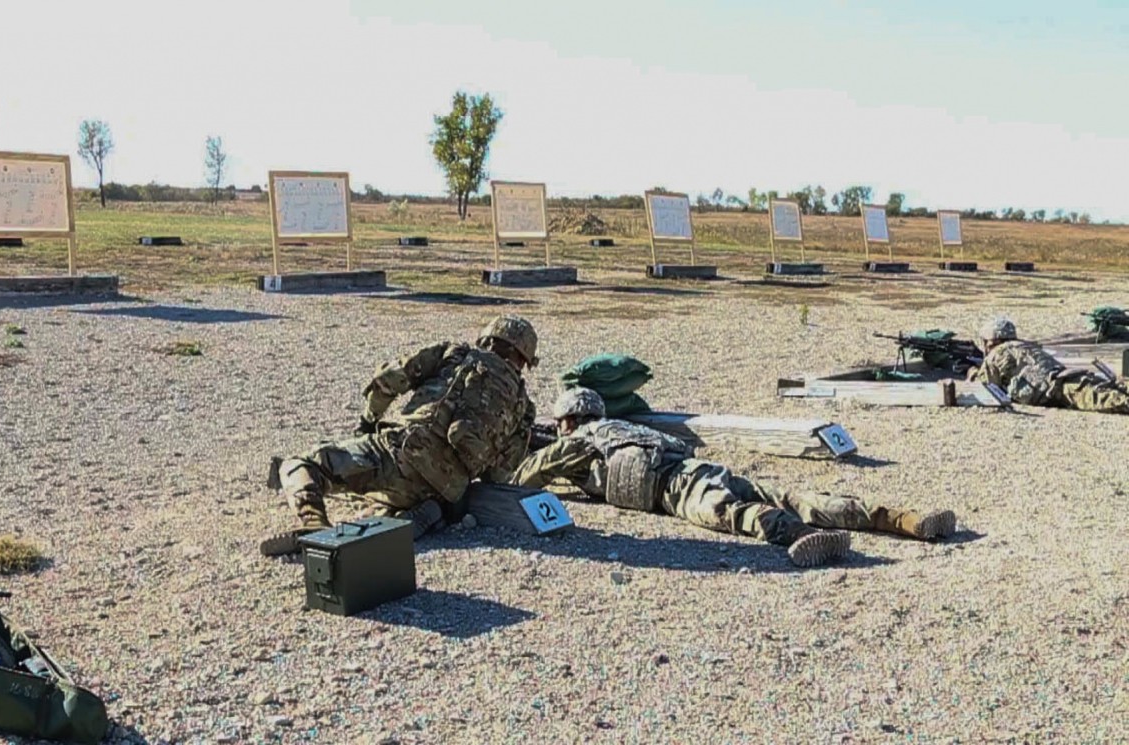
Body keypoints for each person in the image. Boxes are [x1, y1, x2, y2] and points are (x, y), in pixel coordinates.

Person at [509, 388, 956, 568]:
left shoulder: (579, 440)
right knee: (792, 494)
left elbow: (527, 476)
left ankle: (801, 537)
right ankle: (901, 519)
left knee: (729, 513)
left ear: (569, 420)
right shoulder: (620, 427)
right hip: (696, 468)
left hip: (675, 487)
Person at [261, 316, 539, 556]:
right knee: (375, 503)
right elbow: (498, 475)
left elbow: (389, 380)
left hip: (401, 455)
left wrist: (369, 421)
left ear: (487, 339)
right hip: (448, 489)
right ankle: (422, 512)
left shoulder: (455, 354)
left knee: (304, 463)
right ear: (524, 359)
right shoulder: (523, 406)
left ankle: (313, 524)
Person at [967, 317, 1129, 413]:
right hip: (1069, 376)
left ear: (990, 341)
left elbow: (987, 389)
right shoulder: (1025, 345)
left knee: (1113, 401)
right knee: (1116, 388)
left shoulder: (995, 354)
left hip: (1060, 388)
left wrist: (973, 373)